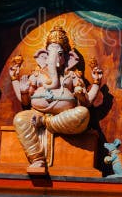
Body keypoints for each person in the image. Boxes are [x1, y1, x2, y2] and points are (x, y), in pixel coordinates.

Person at [11, 25, 103, 170]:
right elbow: (25, 101)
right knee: (20, 119)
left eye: (59, 53)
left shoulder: (72, 76)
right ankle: (36, 159)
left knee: (83, 114)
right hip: (36, 113)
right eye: (50, 53)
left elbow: (87, 103)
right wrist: (20, 88)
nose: (55, 58)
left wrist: (96, 83)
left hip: (64, 117)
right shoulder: (37, 75)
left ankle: (46, 121)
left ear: (68, 58)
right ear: (43, 56)